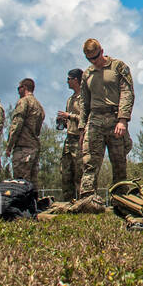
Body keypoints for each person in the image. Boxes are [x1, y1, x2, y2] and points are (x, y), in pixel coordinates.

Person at [77, 40, 135, 198]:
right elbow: (84, 102)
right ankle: (87, 199)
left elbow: (127, 93)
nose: (93, 61)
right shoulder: (87, 74)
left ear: (101, 51)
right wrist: (82, 128)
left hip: (114, 118)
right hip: (94, 119)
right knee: (89, 160)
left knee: (119, 161)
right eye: (89, 59)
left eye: (95, 57)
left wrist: (123, 119)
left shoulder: (118, 67)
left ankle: (121, 199)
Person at [7, 78, 45, 186]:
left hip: (23, 147)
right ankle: (34, 202)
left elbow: (17, 124)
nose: (18, 91)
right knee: (32, 182)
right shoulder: (39, 106)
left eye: (18, 88)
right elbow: (38, 129)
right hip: (34, 147)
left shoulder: (24, 102)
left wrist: (9, 145)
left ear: (24, 87)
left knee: (20, 182)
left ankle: (23, 204)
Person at [57, 68, 86, 201]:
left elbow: (85, 118)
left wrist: (69, 115)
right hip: (69, 139)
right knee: (65, 172)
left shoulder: (85, 97)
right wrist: (63, 120)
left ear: (76, 80)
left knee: (79, 172)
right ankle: (68, 202)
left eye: (69, 79)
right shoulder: (70, 99)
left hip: (79, 139)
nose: (67, 82)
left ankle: (82, 201)